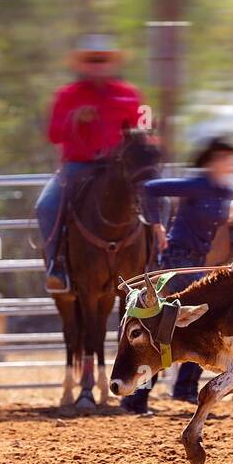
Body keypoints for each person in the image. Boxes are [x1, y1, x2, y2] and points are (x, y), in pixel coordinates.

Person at [119, 135, 233, 414]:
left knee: (189, 324)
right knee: (168, 326)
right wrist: (157, 225)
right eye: (228, 159)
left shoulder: (225, 191)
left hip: (197, 263)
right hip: (176, 262)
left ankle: (178, 390)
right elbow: (150, 188)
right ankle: (145, 395)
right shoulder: (196, 185)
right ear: (215, 161)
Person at [37, 34, 161, 293]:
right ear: (82, 65)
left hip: (123, 168)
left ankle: (155, 263)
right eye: (92, 61)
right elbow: (52, 134)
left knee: (162, 199)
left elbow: (145, 128)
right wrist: (74, 117)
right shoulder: (67, 96)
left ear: (111, 63)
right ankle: (57, 266)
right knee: (46, 206)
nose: (98, 65)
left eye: (102, 60)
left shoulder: (129, 95)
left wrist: (148, 144)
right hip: (78, 166)